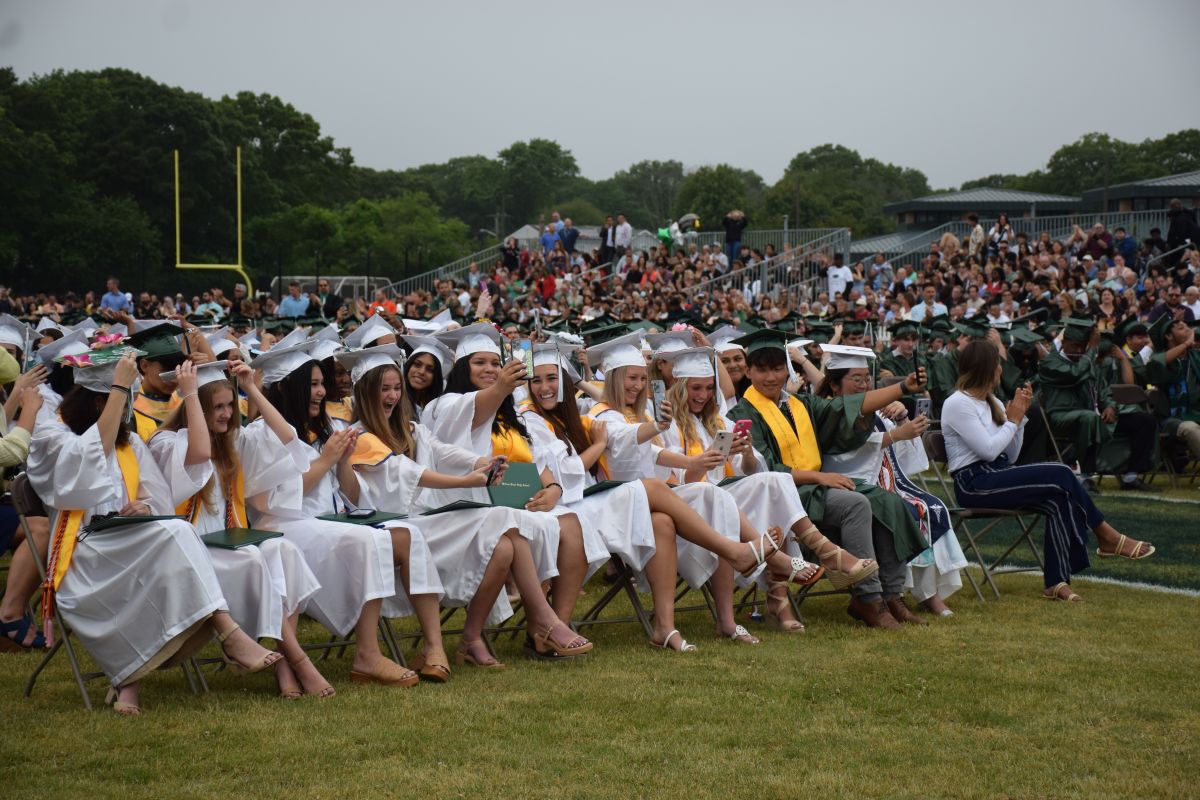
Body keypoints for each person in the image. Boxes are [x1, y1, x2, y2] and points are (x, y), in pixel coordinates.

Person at [30, 350, 283, 715]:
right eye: (118, 401)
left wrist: (145, 506)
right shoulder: (54, 437)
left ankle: (129, 683)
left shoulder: (129, 443)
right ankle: (228, 633)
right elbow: (83, 465)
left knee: (176, 531)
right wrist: (119, 384)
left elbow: (158, 497)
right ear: (98, 403)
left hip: (129, 544)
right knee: (179, 533)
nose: (124, 411)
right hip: (85, 556)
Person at [344, 342, 593, 665]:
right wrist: (466, 480)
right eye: (383, 390)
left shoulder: (411, 429)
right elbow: (411, 473)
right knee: (503, 518)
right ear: (364, 394)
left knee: (504, 546)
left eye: (395, 388)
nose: (392, 396)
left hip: (425, 522)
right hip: (395, 526)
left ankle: (471, 639)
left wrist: (479, 463)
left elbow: (443, 451)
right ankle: (544, 620)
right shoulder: (360, 436)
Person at [149, 359, 329, 699]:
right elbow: (199, 452)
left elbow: (287, 437)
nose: (228, 415)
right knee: (256, 561)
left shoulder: (230, 441)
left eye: (230, 406)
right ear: (195, 409)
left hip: (228, 543)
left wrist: (250, 389)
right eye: (217, 407)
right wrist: (189, 393)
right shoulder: (166, 443)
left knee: (285, 551)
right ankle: (298, 661)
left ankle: (285, 666)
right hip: (189, 553)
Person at [727, 329, 929, 629]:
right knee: (856, 504)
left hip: (815, 487)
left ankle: (891, 594)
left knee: (887, 501)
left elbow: (845, 407)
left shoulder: (801, 405)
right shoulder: (742, 413)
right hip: (787, 496)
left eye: (778, 368)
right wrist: (819, 477)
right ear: (749, 370)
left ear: (787, 368)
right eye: (762, 369)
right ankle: (868, 599)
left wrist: (902, 387)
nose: (771, 377)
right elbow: (766, 470)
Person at [942, 339, 1154, 601]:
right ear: (986, 368)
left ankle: (1056, 581)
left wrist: (1017, 422)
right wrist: (1014, 420)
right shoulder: (957, 403)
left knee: (1058, 498)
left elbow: (1009, 455)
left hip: (994, 474)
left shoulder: (991, 400)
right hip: (974, 483)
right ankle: (1107, 536)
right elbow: (987, 450)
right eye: (997, 363)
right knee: (1061, 473)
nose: (1001, 368)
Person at [818, 349, 967, 617]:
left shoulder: (876, 413)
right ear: (834, 385)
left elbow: (910, 460)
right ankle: (896, 594)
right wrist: (895, 435)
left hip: (883, 484)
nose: (864, 385)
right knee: (903, 509)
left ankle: (920, 593)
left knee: (931, 508)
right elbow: (842, 455)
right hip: (851, 485)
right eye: (856, 379)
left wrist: (900, 418)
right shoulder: (828, 412)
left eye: (867, 378)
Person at [1039, 318, 1158, 492]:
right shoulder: (1050, 362)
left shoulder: (1087, 362)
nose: (1079, 350)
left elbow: (1104, 392)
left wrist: (1110, 407)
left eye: (1082, 346)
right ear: (1063, 343)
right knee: (1089, 418)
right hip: (1061, 416)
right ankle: (1086, 477)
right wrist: (1092, 349)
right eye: (1075, 346)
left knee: (1143, 420)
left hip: (1092, 416)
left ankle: (1130, 476)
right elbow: (1074, 375)